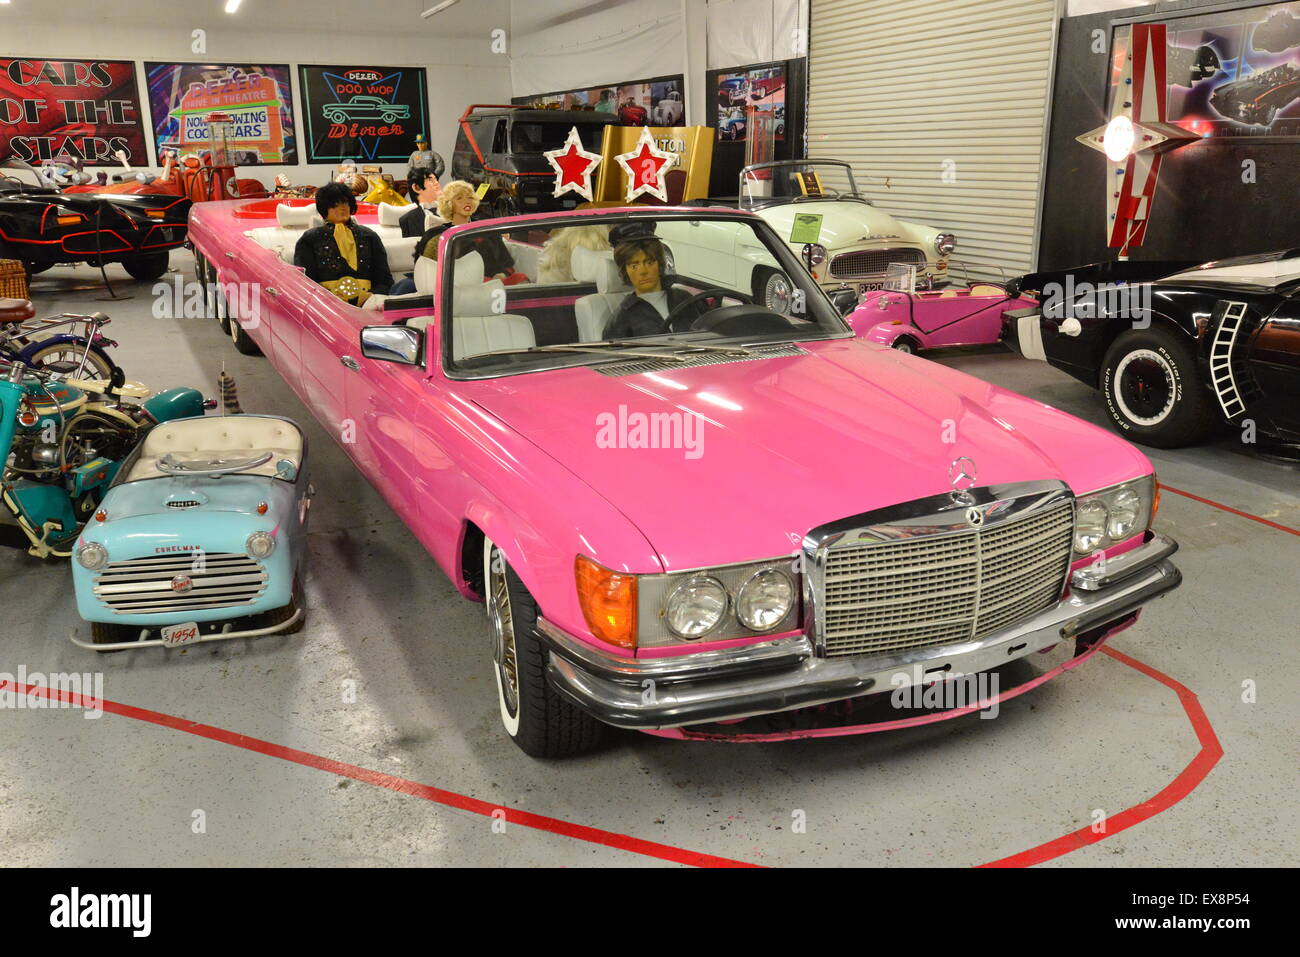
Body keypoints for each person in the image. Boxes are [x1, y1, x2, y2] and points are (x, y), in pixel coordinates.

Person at [293, 181, 393, 306]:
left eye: (345, 203)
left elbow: (384, 279)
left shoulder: (369, 236)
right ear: (324, 209)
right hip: (326, 306)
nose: (342, 208)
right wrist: (327, 299)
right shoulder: (310, 239)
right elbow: (305, 282)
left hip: (370, 305)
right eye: (334, 205)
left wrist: (373, 297)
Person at [602, 229, 703, 339]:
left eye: (649, 262)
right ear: (625, 272)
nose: (643, 271)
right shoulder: (621, 318)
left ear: (659, 264)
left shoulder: (685, 298)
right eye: (634, 266)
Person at [399, 167, 443, 238]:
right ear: (417, 187)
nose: (437, 183)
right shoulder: (407, 220)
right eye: (430, 180)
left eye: (436, 179)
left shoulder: (453, 212)